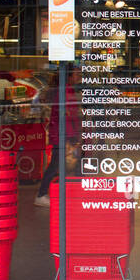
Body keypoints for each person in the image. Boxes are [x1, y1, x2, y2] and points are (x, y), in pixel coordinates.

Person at [34, 66, 81, 207]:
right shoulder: (64, 91)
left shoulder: (66, 90)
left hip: (62, 132)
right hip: (62, 133)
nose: (79, 77)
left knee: (59, 164)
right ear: (69, 76)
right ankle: (41, 194)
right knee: (56, 164)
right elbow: (67, 115)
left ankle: (61, 192)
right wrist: (73, 135)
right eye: (77, 74)